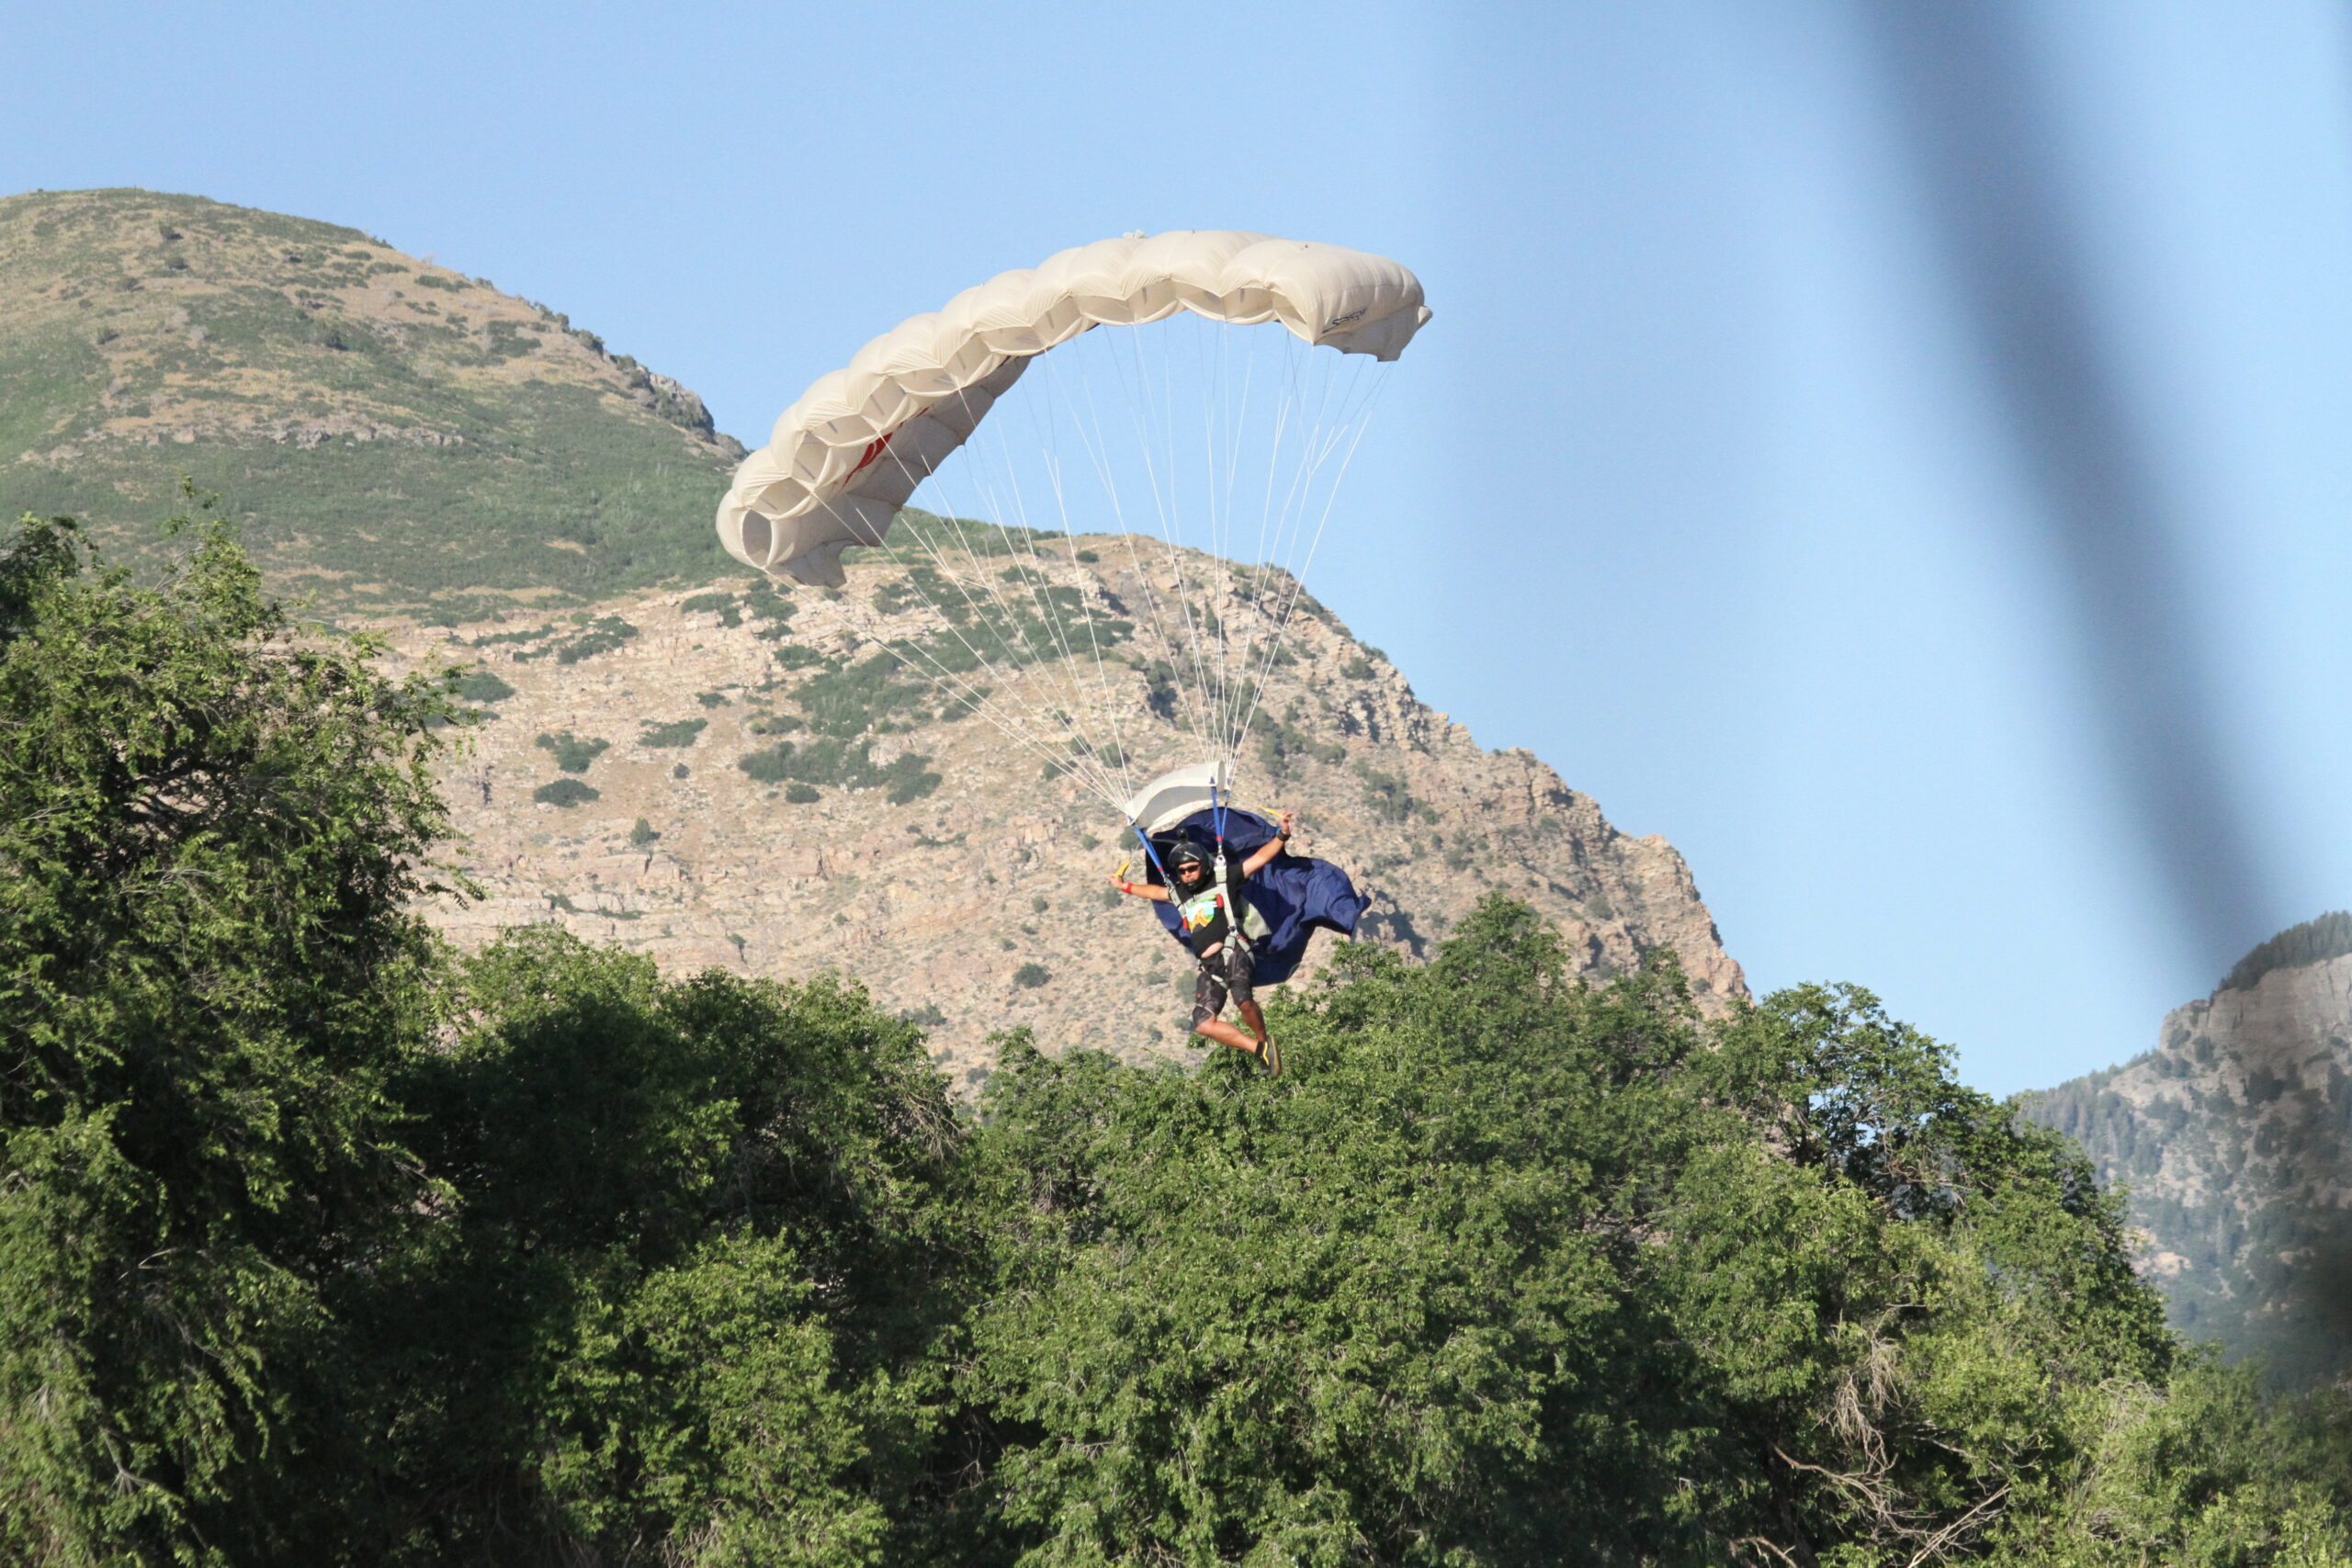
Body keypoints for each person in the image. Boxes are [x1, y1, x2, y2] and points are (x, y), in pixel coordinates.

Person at [1111, 813, 1295, 1074]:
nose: (1187, 875)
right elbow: (1155, 892)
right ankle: (1261, 1051)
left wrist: (1282, 835)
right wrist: (1125, 886)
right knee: (1202, 1023)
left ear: (1202, 866)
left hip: (1234, 950)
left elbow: (1259, 859)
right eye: (1182, 871)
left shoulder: (1223, 880)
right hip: (1209, 966)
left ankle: (1265, 1041)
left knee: (1242, 999)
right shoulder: (1182, 894)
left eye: (1191, 868)